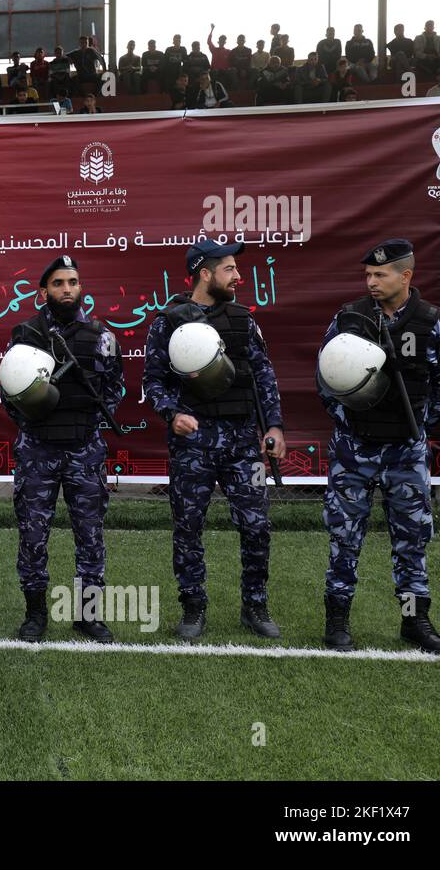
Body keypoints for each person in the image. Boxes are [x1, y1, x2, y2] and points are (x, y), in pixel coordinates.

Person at [316, 240, 440, 654]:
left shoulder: (433, 324)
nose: (372, 281)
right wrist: (350, 422)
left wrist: (417, 425)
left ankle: (415, 620)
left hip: (406, 453)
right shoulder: (350, 318)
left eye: (380, 275)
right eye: (368, 275)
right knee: (344, 536)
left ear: (406, 276)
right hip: (354, 449)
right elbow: (325, 378)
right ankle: (337, 619)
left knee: (412, 538)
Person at [142, 241, 285, 641]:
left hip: (242, 439)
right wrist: (173, 414)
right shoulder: (168, 322)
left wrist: (273, 427)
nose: (238, 277)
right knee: (188, 526)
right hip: (194, 442)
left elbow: (264, 377)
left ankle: (254, 605)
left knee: (256, 526)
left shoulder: (243, 320)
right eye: (229, 269)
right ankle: (192, 606)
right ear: (204, 273)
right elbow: (152, 381)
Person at [6, 257, 123, 642]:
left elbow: (114, 390)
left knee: (89, 534)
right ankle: (35, 613)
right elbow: (11, 394)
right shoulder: (25, 334)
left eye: (73, 281)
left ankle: (88, 615)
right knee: (33, 534)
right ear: (44, 292)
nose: (67, 289)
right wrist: (36, 411)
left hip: (84, 449)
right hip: (37, 450)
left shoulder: (101, 336)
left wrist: (82, 411)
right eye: (58, 283)